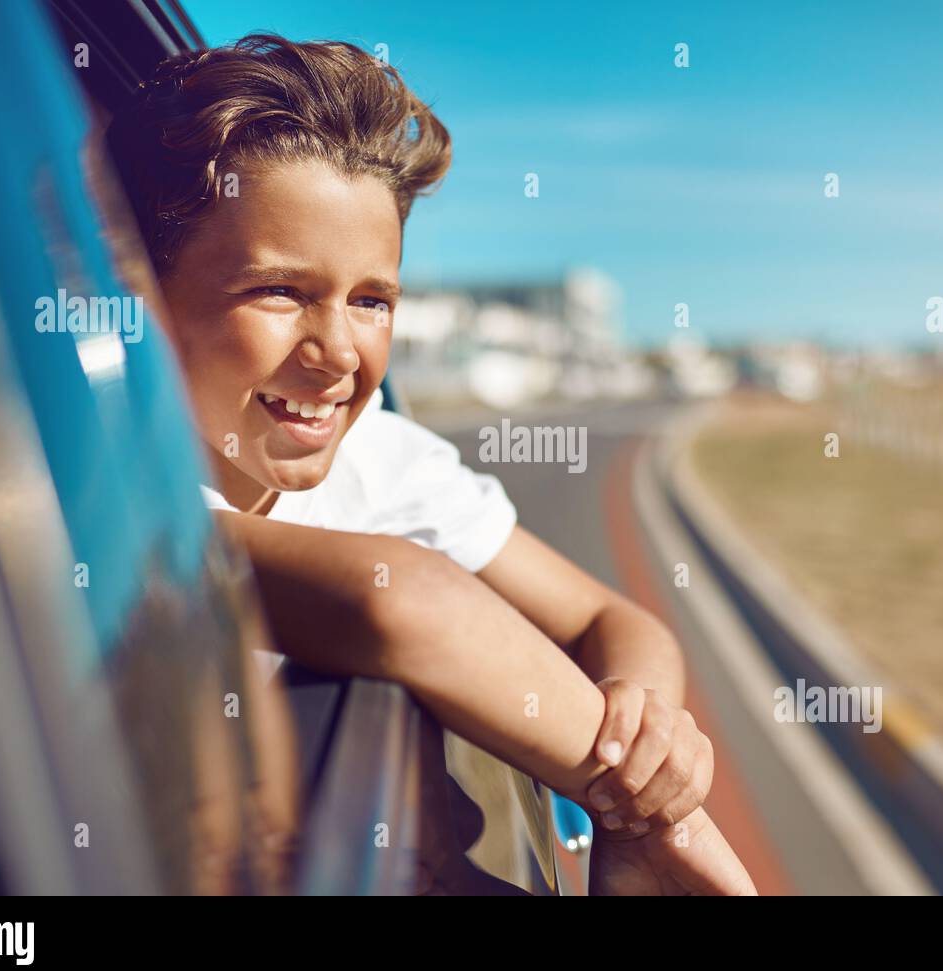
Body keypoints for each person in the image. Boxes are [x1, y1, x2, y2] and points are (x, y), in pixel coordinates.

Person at [106, 33, 754, 895]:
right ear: (142, 296)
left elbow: (613, 620)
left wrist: (648, 747)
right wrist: (643, 803)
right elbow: (394, 600)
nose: (338, 352)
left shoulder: (375, 447)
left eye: (371, 300)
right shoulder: (114, 485)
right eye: (279, 291)